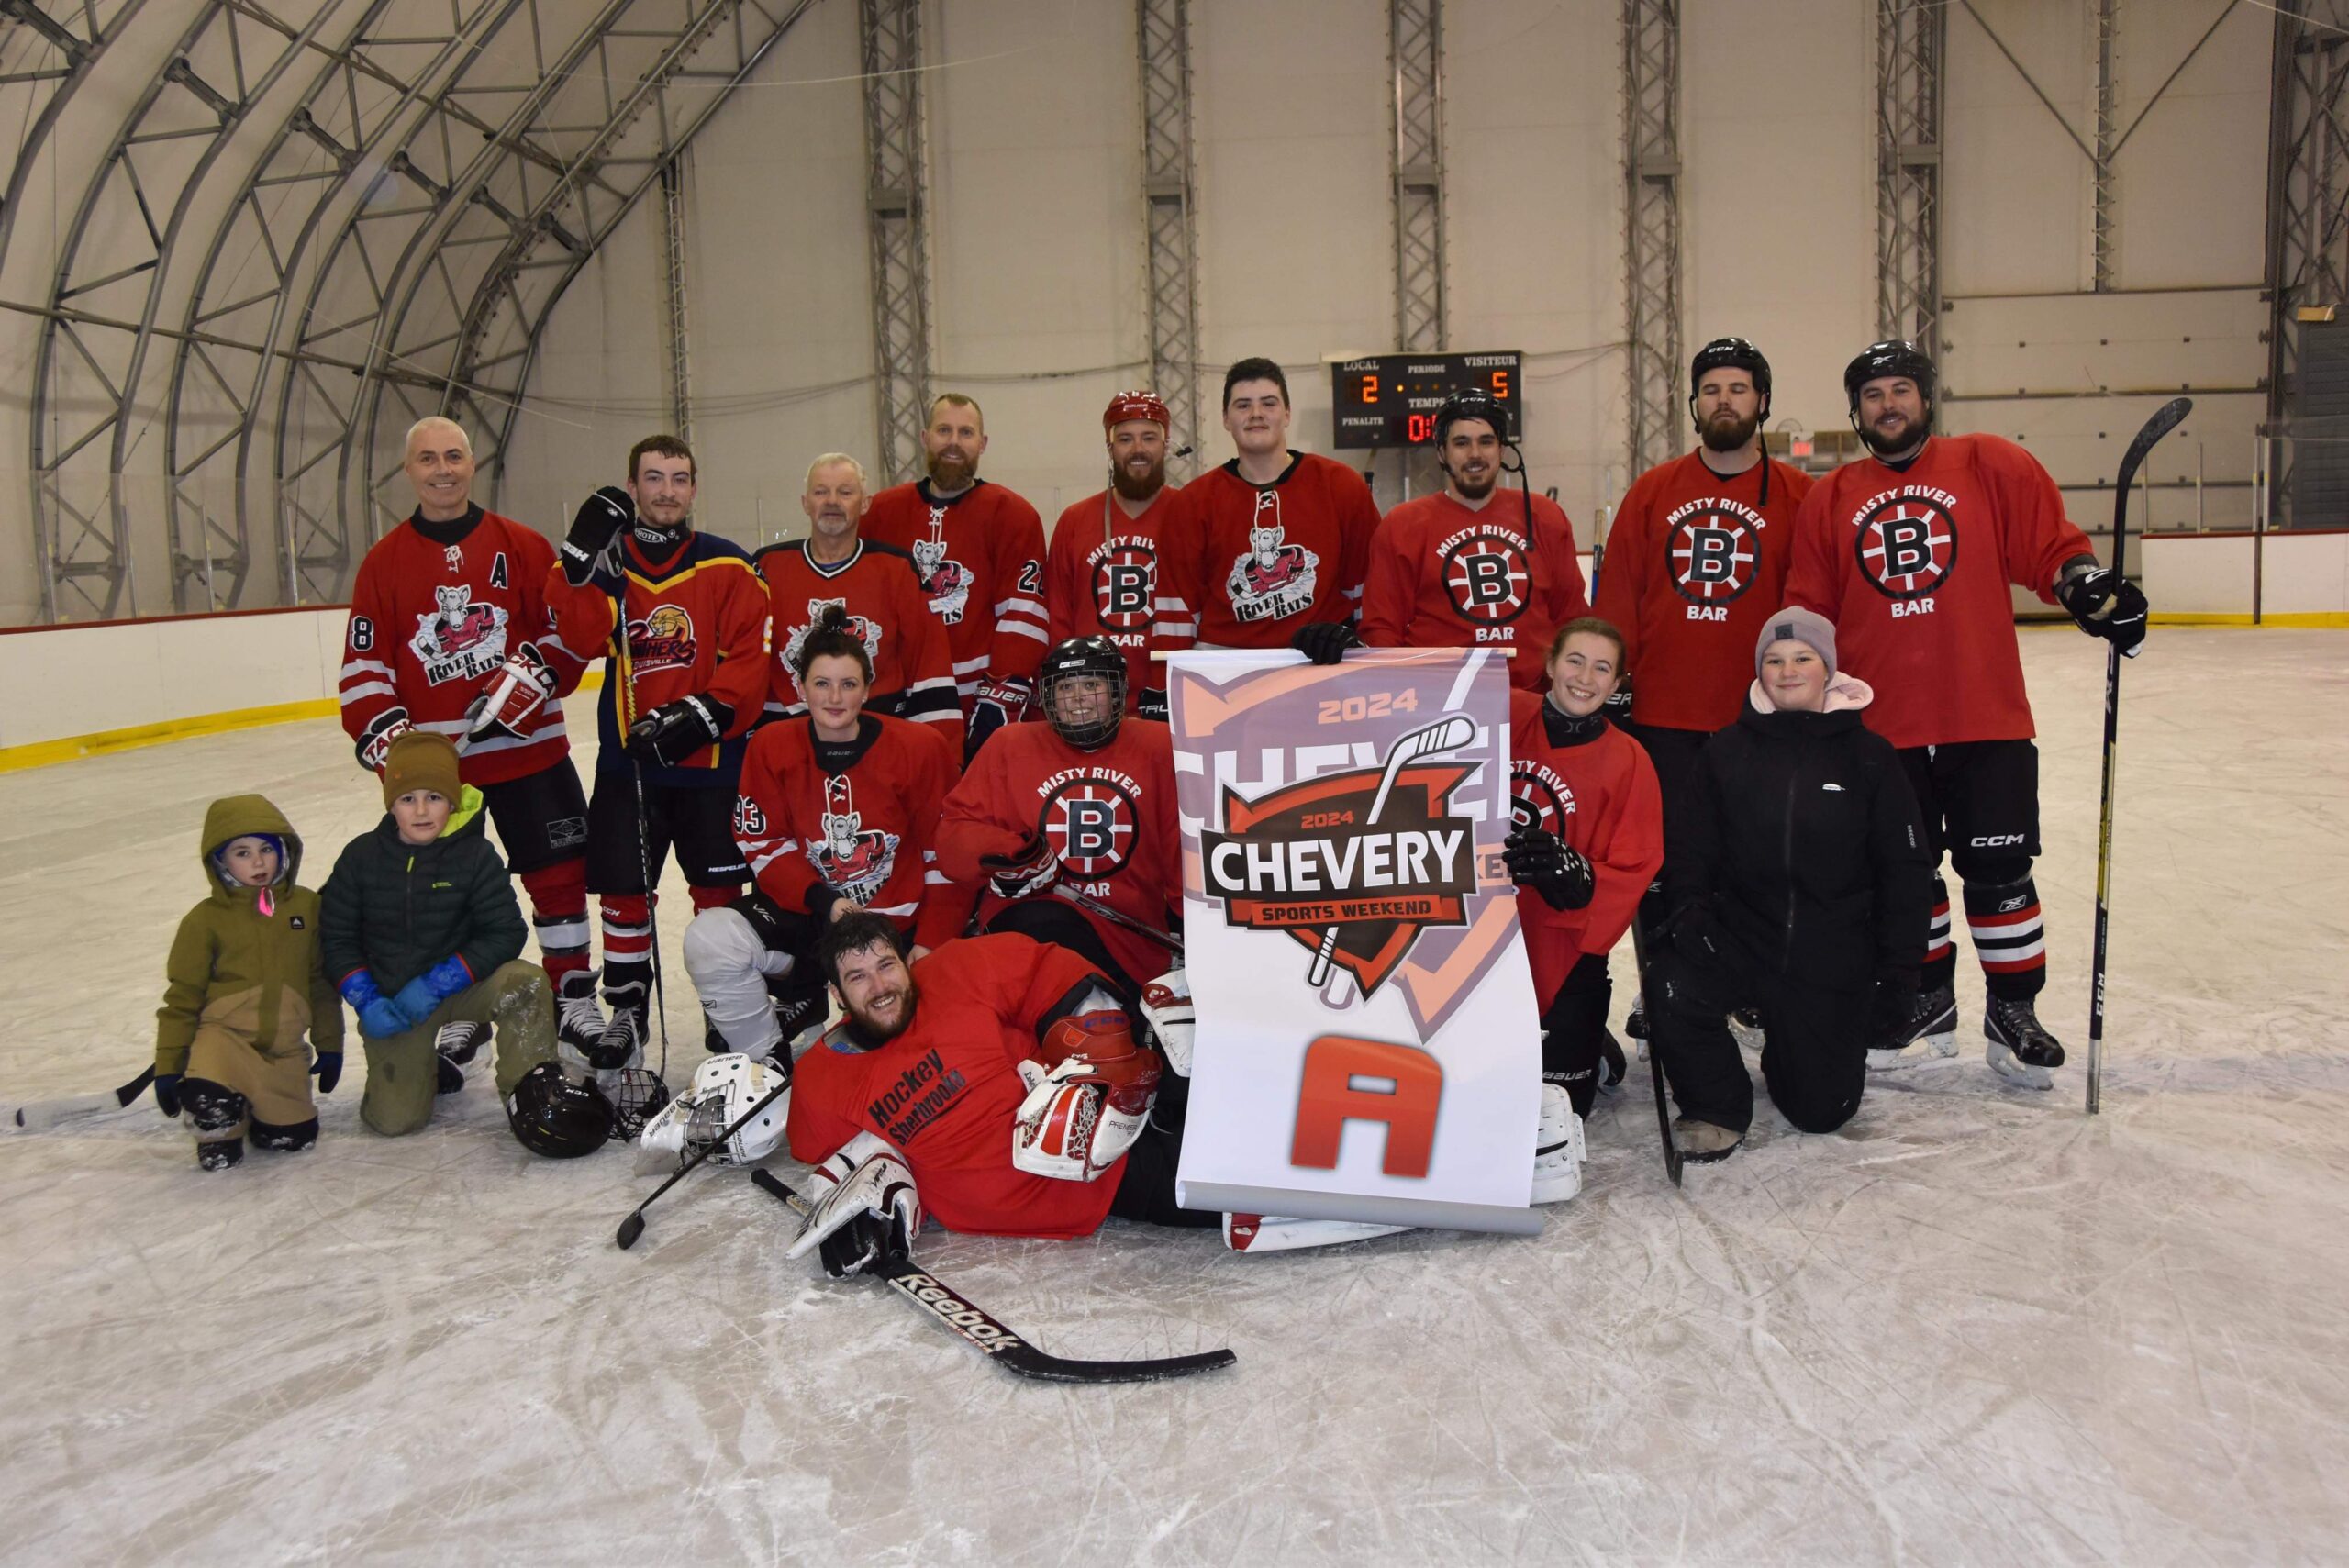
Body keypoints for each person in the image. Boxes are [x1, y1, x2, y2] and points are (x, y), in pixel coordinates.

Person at [1785, 340, 2151, 1087]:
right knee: (1902, 875)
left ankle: (2013, 1011)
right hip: (1876, 727)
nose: (1888, 405)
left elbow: (2053, 549)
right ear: (1855, 412)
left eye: (1901, 390)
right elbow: (1810, 606)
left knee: (2000, 870)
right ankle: (1925, 1000)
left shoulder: (1989, 463)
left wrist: (2088, 589)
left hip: (1985, 716)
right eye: (1873, 395)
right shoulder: (1831, 496)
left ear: (1925, 398)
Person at [337, 416, 599, 1060]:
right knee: (446, 895)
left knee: (559, 878)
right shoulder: (384, 563)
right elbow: (364, 670)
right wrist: (405, 758)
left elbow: (570, 633)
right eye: (428, 459)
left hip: (530, 754)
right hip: (447, 777)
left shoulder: (524, 544)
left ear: (472, 461)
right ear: (409, 471)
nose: (443, 469)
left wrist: (534, 674)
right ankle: (463, 1005)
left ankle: (572, 996)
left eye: (453, 455)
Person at [1645, 610, 1931, 1161]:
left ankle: (1791, 1049)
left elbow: (1905, 868)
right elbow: (1690, 846)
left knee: (1822, 1113)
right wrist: (1689, 911)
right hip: (1742, 938)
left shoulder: (1870, 758)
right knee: (1671, 987)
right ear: (1759, 674)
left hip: (1831, 954)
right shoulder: (1726, 751)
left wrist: (1899, 974)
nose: (1788, 671)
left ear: (1828, 669)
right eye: (1774, 661)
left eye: (1803, 658)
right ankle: (1717, 1104)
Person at [780, 913, 1204, 1276]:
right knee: (1237, 1185)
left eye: (886, 965)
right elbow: (827, 1161)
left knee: (1214, 1063)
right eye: (858, 977)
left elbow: (1047, 969)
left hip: (1108, 1106)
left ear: (907, 963)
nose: (880, 985)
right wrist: (864, 1213)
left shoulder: (956, 970)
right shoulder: (821, 1078)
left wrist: (1099, 1040)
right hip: (1114, 1178)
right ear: (837, 994)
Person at [544, 434, 771, 1069]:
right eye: (653, 477)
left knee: (719, 897)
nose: (666, 490)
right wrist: (577, 571)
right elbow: (586, 638)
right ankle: (629, 1011)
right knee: (623, 893)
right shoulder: (611, 566)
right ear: (634, 485)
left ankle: (725, 1011)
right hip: (630, 764)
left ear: (694, 487)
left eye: (678, 478)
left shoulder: (728, 564)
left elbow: (753, 658)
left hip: (713, 765)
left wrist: (701, 715)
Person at [1592, 339, 1812, 963]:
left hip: (1758, 718)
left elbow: (1813, 604)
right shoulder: (1653, 491)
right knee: (1666, 861)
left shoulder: (1798, 494)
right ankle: (1669, 987)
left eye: (1738, 388)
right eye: (1711, 389)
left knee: (1757, 858)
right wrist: (1613, 686)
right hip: (1666, 719)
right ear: (1694, 403)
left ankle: (1748, 982)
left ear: (1762, 401)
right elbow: (1618, 600)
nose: (1724, 400)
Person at [684, 606, 968, 1065]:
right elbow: (763, 842)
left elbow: (947, 855)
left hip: (897, 929)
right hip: (813, 919)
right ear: (800, 688)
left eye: (849, 684)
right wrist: (824, 900)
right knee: (709, 938)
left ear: (868, 689)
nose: (835, 698)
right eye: (821, 683)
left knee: (911, 1051)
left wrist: (931, 942)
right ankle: (765, 1065)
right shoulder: (771, 745)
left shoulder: (920, 748)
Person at [319, 732, 610, 1155]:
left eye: (434, 797)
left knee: (525, 983)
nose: (421, 810)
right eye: (408, 799)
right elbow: (336, 936)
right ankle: (424, 1068)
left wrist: (443, 979)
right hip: (397, 1002)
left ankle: (527, 1093)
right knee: (394, 1121)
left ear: (452, 801)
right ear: (390, 803)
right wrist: (365, 998)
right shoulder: (360, 858)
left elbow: (506, 931)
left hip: (461, 987)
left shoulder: (475, 856)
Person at [1504, 617, 1663, 1199]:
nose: (1584, 677)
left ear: (1617, 681)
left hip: (1562, 946)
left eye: (1602, 667)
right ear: (1549, 664)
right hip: (1471, 936)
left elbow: (1638, 862)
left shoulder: (1629, 759)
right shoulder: (1498, 712)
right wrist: (1345, 661)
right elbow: (1409, 706)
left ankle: (1587, 1039)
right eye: (1575, 661)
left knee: (1558, 1114)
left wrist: (1583, 878)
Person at [937, 636, 1179, 1004]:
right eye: (1066, 687)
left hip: (1131, 935)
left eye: (1092, 685)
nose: (1078, 698)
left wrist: (1193, 925)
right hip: (1029, 923)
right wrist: (1012, 853)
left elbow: (1186, 844)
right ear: (1049, 697)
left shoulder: (1159, 744)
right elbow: (953, 838)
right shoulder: (1010, 745)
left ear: (1117, 692)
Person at [1153, 357, 1381, 678]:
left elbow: (1367, 589)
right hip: (1226, 671)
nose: (1256, 414)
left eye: (1268, 403)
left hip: (1318, 667)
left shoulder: (1341, 486)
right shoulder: (1192, 502)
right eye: (1243, 405)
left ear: (1287, 414)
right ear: (1225, 419)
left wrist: (1362, 648)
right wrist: (1171, 688)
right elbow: (1176, 612)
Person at [152, 795, 344, 1170]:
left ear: (284, 851)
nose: (257, 862)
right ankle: (219, 1119)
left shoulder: (307, 908)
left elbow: (321, 983)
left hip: (283, 1049)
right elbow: (182, 998)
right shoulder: (204, 920)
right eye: (242, 852)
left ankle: (256, 1107)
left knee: (292, 1138)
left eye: (266, 849)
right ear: (219, 860)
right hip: (223, 1040)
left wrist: (330, 1043)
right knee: (216, 1124)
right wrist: (168, 1065)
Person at [861, 394, 1051, 762]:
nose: (953, 441)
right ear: (924, 437)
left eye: (966, 432)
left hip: (977, 697)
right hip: (901, 694)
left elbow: (1023, 614)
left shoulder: (1012, 514)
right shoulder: (880, 513)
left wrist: (998, 701)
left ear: (982, 443)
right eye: (944, 430)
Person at [1358, 390, 1588, 686]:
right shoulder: (1403, 526)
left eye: (1486, 442)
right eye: (1461, 443)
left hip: (1536, 700)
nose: (1475, 454)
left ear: (1502, 450)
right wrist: (1407, 697)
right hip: (1440, 703)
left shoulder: (1545, 516)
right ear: (1442, 452)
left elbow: (1572, 618)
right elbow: (1382, 629)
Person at [754, 452, 958, 731]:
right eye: (821, 491)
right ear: (805, 503)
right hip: (788, 740)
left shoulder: (897, 569)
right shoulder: (767, 567)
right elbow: (747, 658)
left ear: (865, 504)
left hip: (878, 737)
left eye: (845, 492)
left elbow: (928, 663)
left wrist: (942, 751)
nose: (832, 501)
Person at [1044, 391, 1189, 717]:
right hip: (1094, 708)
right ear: (1110, 448)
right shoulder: (1074, 521)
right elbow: (1058, 617)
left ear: (1165, 445)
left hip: (1175, 699)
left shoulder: (1193, 514)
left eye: (1149, 438)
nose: (1138, 449)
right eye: (1125, 439)